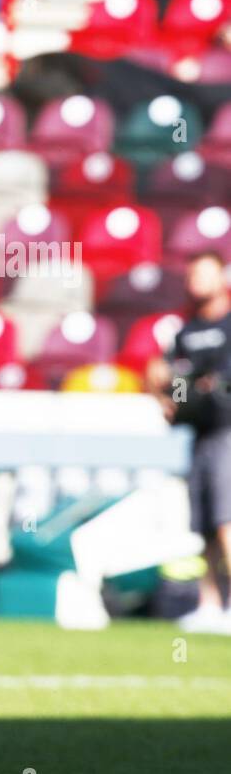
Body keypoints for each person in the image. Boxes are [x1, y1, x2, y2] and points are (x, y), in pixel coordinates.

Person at [148, 251, 231, 634]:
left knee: (226, 520)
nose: (197, 281)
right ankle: (211, 605)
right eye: (192, 273)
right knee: (204, 527)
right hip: (200, 437)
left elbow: (220, 385)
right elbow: (179, 383)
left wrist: (197, 388)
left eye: (205, 273)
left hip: (227, 433)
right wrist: (173, 396)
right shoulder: (186, 332)